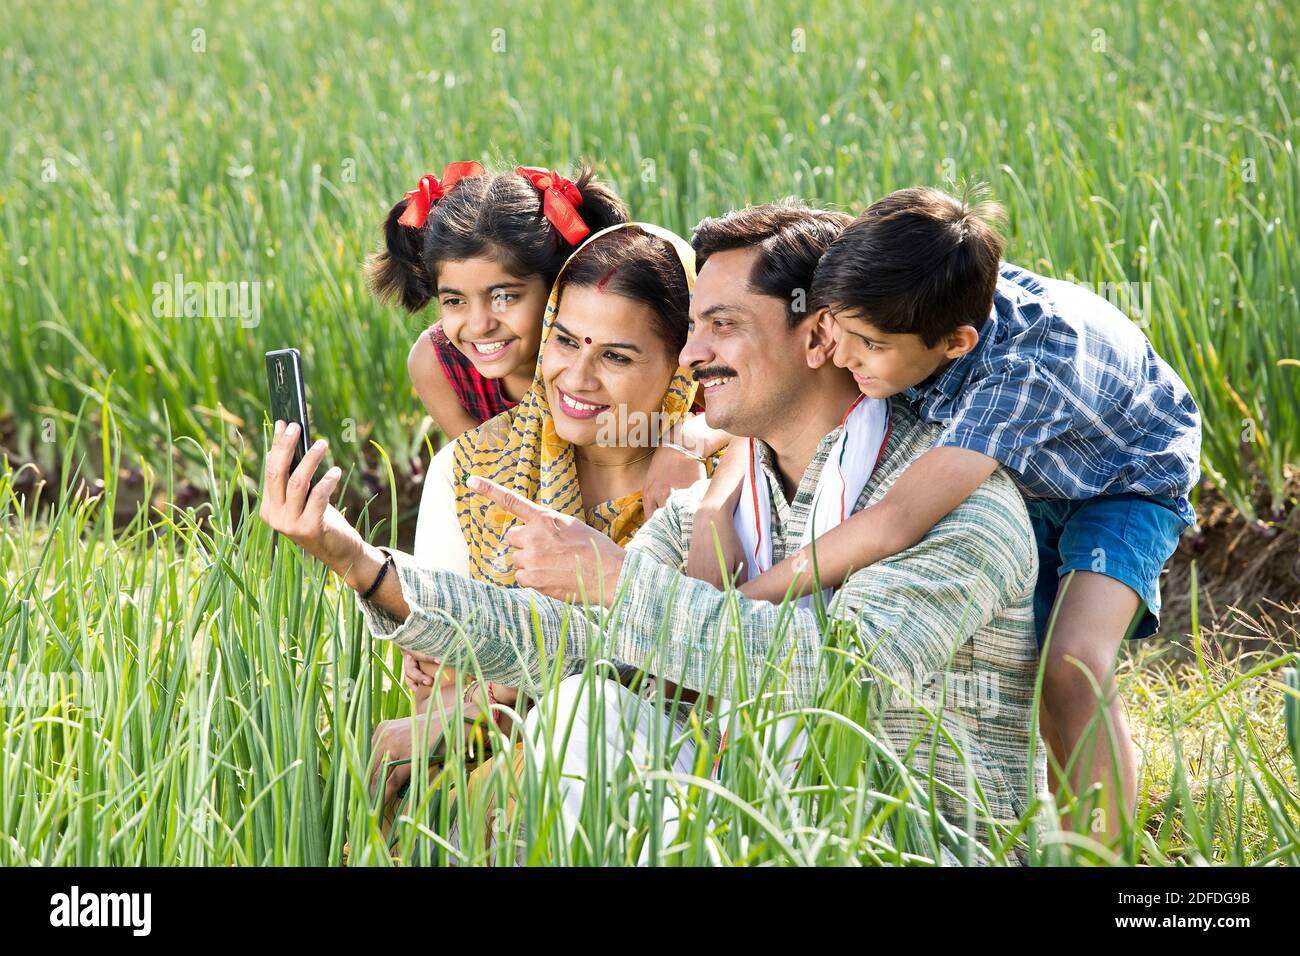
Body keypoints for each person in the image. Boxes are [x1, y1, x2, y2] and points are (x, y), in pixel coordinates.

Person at [260, 202, 1045, 863]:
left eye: (723, 325)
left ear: (821, 336)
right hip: (775, 812)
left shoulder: (955, 503)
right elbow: (568, 637)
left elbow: (836, 677)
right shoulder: (731, 495)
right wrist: (354, 559)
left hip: (914, 838)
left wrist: (616, 580)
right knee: (582, 711)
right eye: (694, 325)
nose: (695, 354)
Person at [705, 186, 1201, 843]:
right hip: (1033, 458)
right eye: (833, 329)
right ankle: (1054, 826)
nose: (844, 358)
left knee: (1071, 658)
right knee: (1024, 666)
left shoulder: (1019, 373)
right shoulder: (903, 285)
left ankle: (1104, 856)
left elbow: (896, 521)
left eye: (867, 346)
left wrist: (745, 601)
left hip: (1120, 479)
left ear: (957, 342)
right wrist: (716, 491)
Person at [364, 221, 703, 805]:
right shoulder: (473, 474)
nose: (577, 377)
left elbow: (720, 670)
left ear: (683, 364)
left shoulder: (720, 484)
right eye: (566, 341)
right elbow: (438, 693)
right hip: (487, 781)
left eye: (616, 356)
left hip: (670, 789)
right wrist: (473, 715)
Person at [367, 161, 726, 517]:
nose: (479, 325)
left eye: (504, 297)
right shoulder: (439, 366)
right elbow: (485, 487)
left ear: (561, 284)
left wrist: (687, 442)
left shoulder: (645, 347)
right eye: (454, 301)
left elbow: (759, 415)